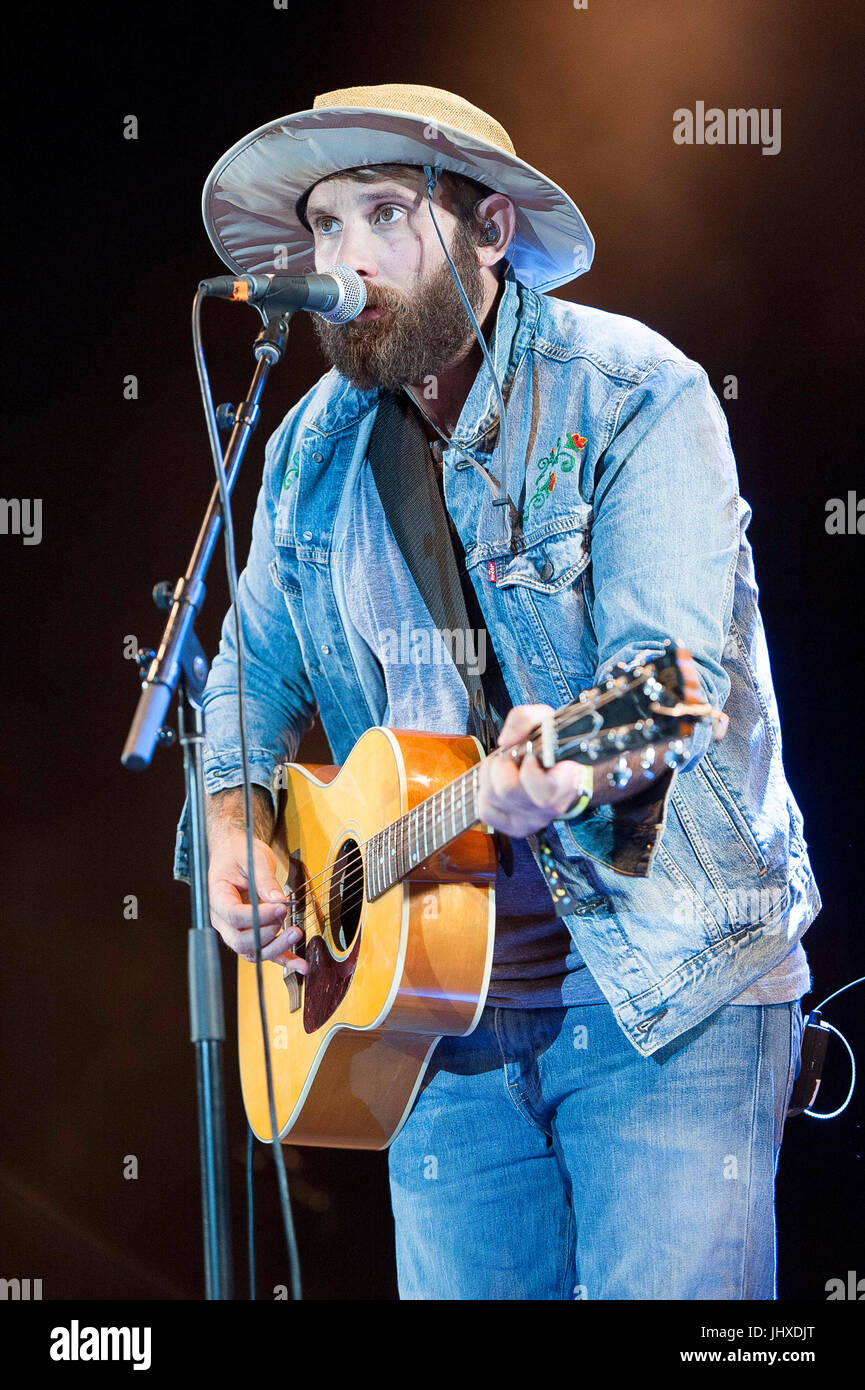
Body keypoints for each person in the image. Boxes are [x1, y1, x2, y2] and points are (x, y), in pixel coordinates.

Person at [174, 84, 821, 1299]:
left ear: (490, 230)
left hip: (663, 991)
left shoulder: (634, 392)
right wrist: (234, 823)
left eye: (383, 213)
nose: (344, 257)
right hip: (433, 1016)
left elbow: (670, 676)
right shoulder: (308, 447)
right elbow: (248, 677)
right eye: (324, 225)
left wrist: (568, 769)